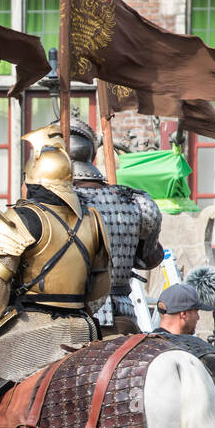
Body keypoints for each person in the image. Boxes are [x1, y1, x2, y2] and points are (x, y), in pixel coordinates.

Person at [0, 123, 110, 388]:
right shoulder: (93, 221)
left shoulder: (20, 220)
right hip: (84, 330)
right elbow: (98, 292)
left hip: (32, 332)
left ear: (32, 181)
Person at [67, 116, 164, 335]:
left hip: (69, 318)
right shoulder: (133, 201)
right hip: (123, 314)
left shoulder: (56, 202)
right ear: (92, 154)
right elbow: (150, 258)